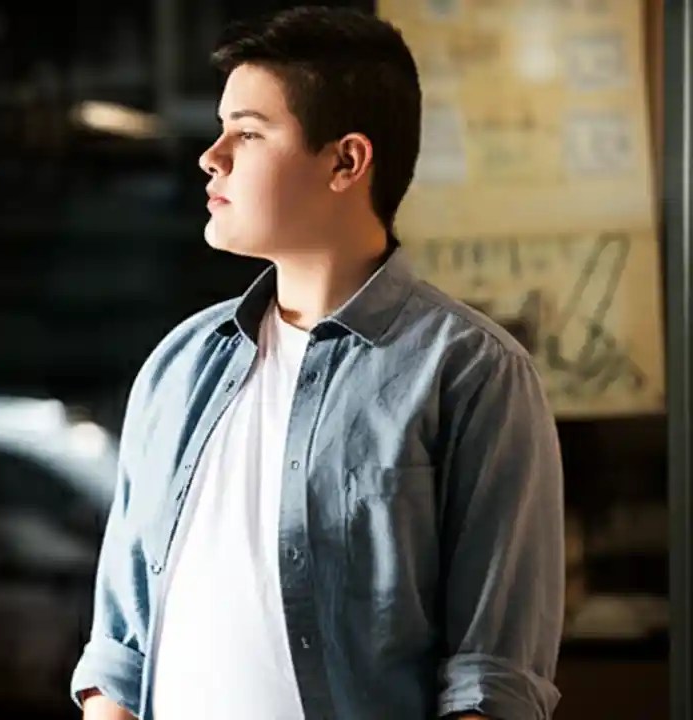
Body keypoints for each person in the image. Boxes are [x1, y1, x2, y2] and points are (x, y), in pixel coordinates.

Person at [69, 6, 564, 720]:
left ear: (346, 161)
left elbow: (490, 680)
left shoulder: (472, 374)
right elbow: (120, 651)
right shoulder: (180, 365)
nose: (212, 156)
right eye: (219, 129)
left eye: (247, 132)